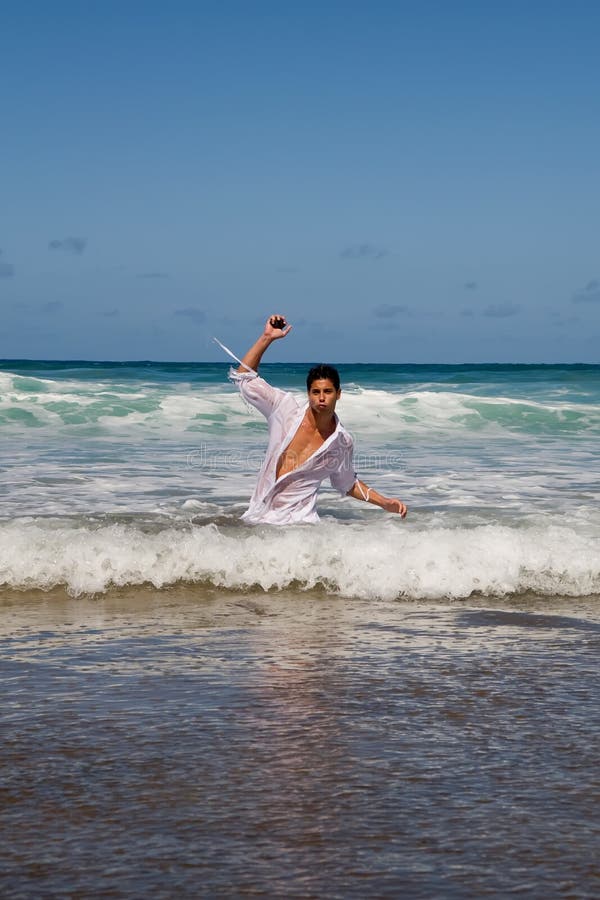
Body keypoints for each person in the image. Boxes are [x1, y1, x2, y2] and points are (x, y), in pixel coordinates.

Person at [229, 314, 408, 525]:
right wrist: (266, 338)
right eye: (315, 391)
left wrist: (384, 503)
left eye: (327, 391)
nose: (321, 397)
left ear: (338, 394)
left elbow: (347, 483)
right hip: (257, 517)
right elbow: (245, 378)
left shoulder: (341, 442)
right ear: (308, 393)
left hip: (300, 526)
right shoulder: (284, 409)